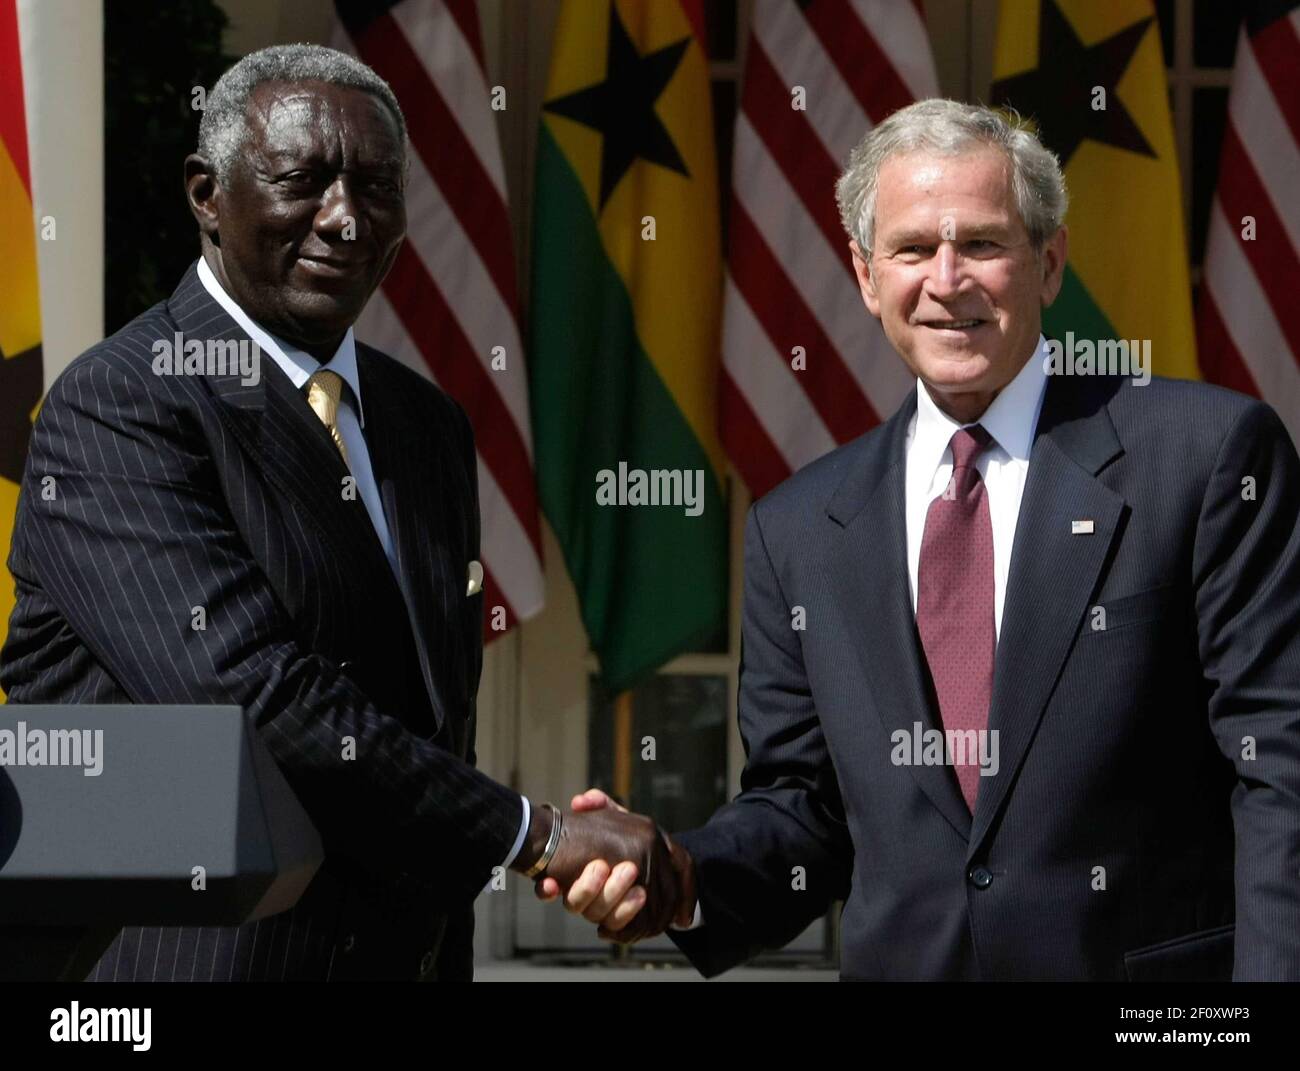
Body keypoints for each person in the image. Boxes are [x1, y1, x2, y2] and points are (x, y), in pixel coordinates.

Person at [553, 99, 1300, 981]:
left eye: (983, 244)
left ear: (1049, 263)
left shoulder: (1206, 455)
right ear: (867, 278)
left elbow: (1280, 768)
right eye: (912, 250)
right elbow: (805, 813)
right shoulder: (799, 529)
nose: (948, 280)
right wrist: (678, 878)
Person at [0, 43, 685, 982]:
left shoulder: (424, 422)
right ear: (206, 194)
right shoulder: (122, 404)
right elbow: (253, 695)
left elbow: (428, 718)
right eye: (302, 181)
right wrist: (538, 833)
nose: (344, 220)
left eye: (376, 186)